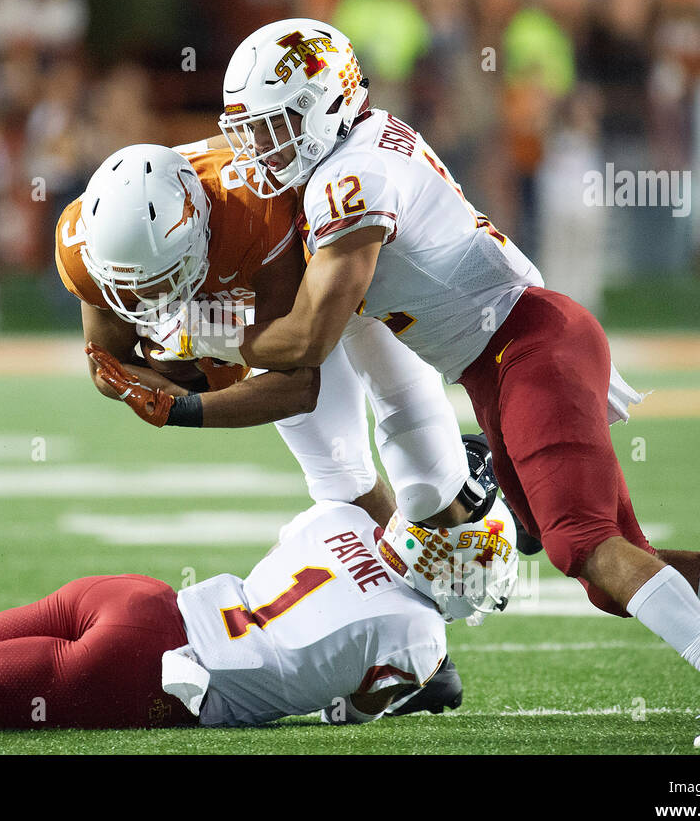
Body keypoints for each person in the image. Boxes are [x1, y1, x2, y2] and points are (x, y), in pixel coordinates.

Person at [153, 18, 700, 747]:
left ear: (325, 104)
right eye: (250, 129)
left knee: (585, 544)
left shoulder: (349, 180)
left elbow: (312, 336)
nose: (262, 148)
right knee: (611, 568)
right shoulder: (359, 143)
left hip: (523, 349)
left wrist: (203, 330)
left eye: (278, 124)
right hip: (514, 353)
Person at [0, 500, 521, 733]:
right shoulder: (422, 633)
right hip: (160, 675)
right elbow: (348, 707)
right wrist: (419, 685)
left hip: (141, 599)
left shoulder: (338, 520)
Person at [58, 143, 492, 533]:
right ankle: (402, 592)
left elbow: (298, 381)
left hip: (339, 284)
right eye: (132, 284)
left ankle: (485, 470)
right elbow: (107, 368)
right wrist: (178, 381)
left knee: (433, 497)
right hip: (256, 313)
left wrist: (182, 399)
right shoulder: (89, 243)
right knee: (341, 487)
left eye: (163, 277)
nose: (149, 297)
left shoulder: (252, 208)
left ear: (200, 234)